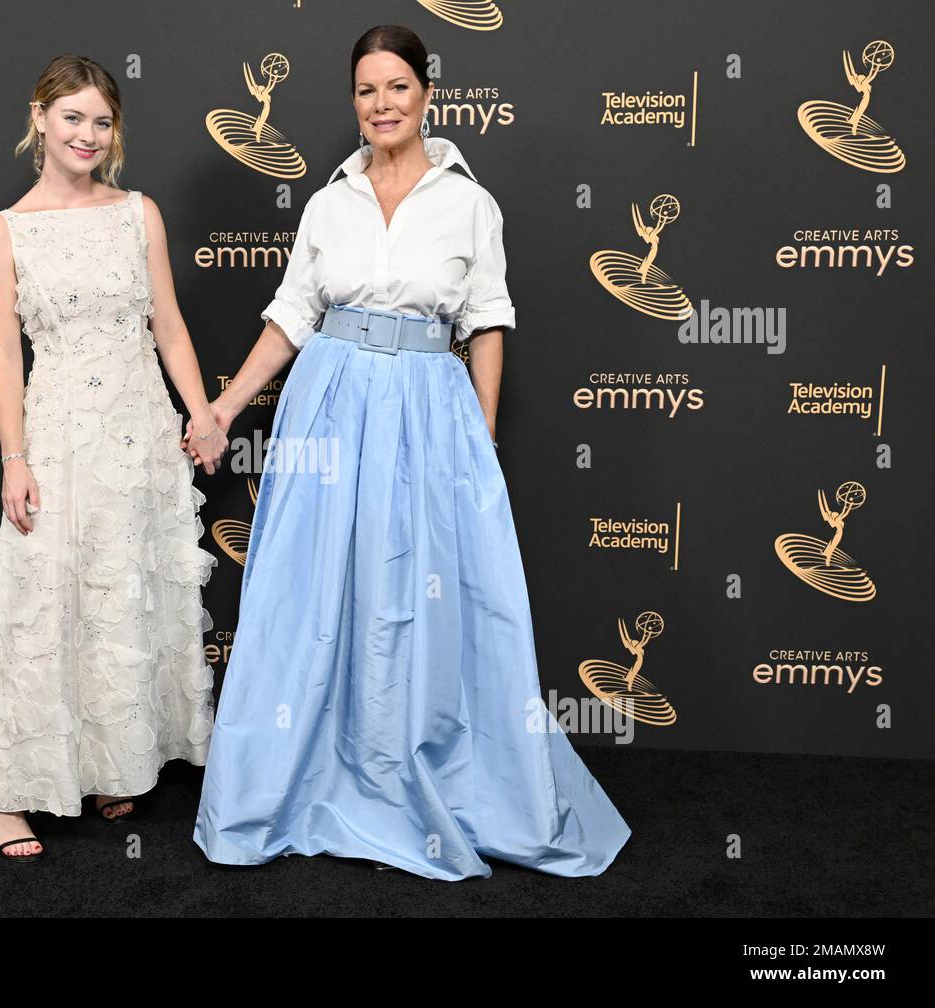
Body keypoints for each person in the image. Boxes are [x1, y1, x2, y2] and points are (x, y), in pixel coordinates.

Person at [187, 25, 631, 881]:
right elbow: (290, 318)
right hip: (327, 410)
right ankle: (299, 779)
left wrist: (481, 437)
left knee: (422, 594)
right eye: (365, 91)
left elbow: (487, 323)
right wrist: (223, 407)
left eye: (396, 87)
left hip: (430, 412)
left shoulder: (469, 201)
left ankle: (422, 775)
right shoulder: (328, 202)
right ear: (352, 101)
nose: (381, 105)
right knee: (310, 590)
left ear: (427, 92)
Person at [0, 54, 229, 861]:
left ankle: (119, 761)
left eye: (102, 121)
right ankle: (10, 794)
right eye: (73, 117)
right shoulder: (1, 232)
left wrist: (202, 413)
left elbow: (171, 327)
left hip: (141, 436)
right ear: (40, 118)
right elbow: (5, 356)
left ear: (116, 131)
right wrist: (14, 458)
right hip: (57, 439)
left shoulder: (138, 215)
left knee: (128, 600)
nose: (87, 134)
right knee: (45, 603)